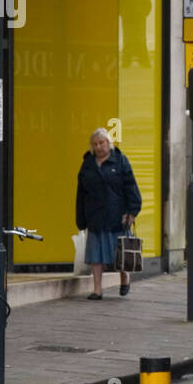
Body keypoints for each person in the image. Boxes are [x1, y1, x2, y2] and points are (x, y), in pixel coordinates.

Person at [75, 128, 142, 299]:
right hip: (95, 216)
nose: (99, 147)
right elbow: (81, 193)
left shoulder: (120, 161)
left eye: (102, 143)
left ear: (108, 143)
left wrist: (132, 212)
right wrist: (81, 219)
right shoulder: (87, 164)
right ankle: (98, 290)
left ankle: (125, 279)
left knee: (120, 253)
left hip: (117, 216)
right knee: (96, 257)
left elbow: (131, 187)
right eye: (95, 144)